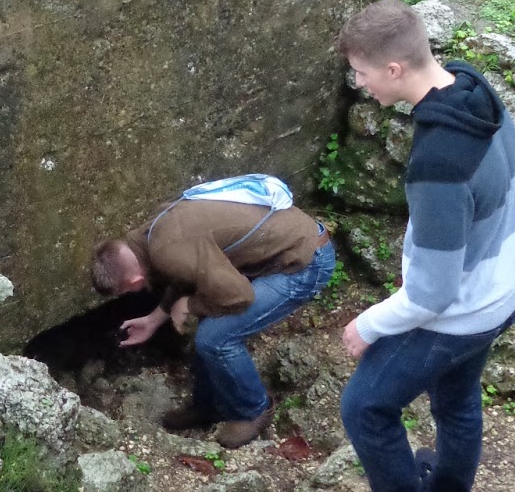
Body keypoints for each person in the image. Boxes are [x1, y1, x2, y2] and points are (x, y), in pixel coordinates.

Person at [338, 0, 515, 492]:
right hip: (502, 290)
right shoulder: (471, 88)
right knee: (457, 400)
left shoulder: (440, 162)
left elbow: (434, 291)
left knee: (364, 407)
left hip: (462, 311)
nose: (358, 82)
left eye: (362, 72)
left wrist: (368, 325)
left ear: (394, 70)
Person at [91, 179, 335, 449]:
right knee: (210, 314)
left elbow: (239, 296)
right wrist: (156, 317)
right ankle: (209, 405)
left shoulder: (165, 250)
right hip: (289, 241)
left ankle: (253, 410)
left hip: (305, 262)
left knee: (214, 338)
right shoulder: (146, 236)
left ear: (134, 282)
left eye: (127, 291)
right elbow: (189, 271)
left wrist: (189, 305)